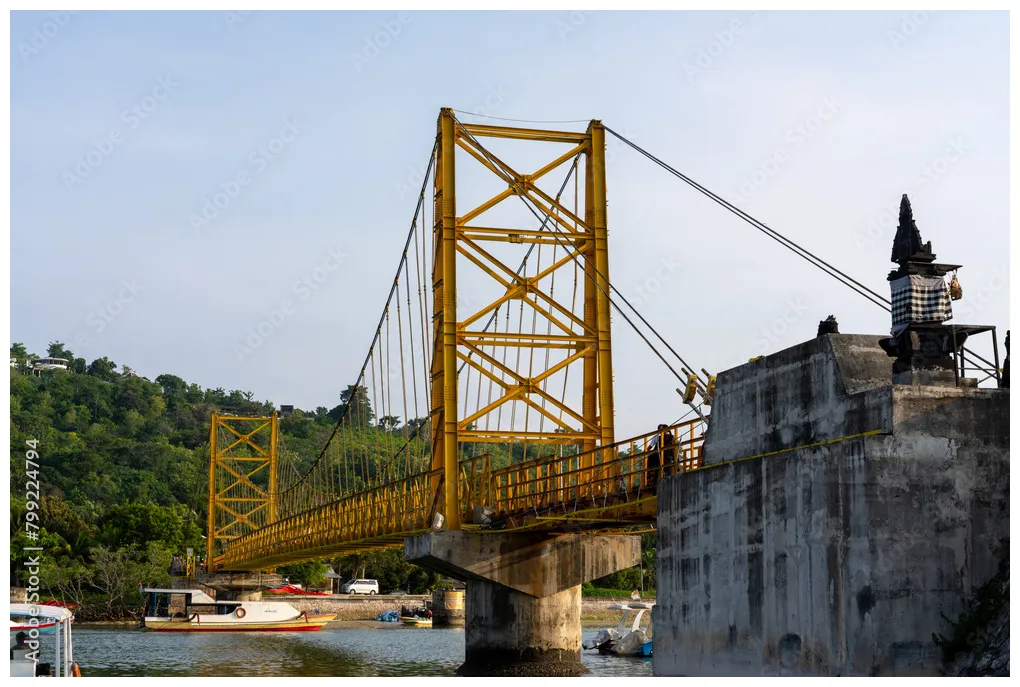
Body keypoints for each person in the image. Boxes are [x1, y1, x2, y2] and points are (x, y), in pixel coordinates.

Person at [646, 424, 666, 489]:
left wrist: (645, 452)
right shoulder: (669, 436)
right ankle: (652, 479)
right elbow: (650, 446)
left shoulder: (657, 436)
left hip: (658, 455)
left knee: (650, 460)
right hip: (663, 456)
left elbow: (650, 447)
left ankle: (651, 478)